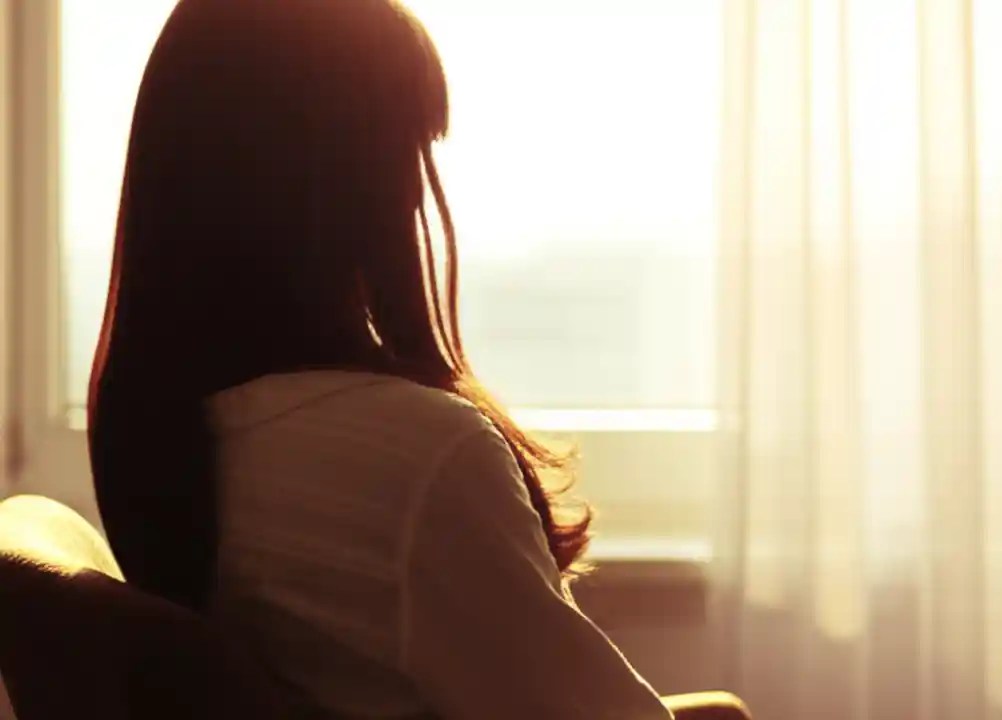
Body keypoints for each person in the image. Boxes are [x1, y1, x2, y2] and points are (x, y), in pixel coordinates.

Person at [86, 1, 737, 717]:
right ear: (349, 180)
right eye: (409, 147)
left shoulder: (159, 432)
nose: (419, 189)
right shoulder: (421, 456)